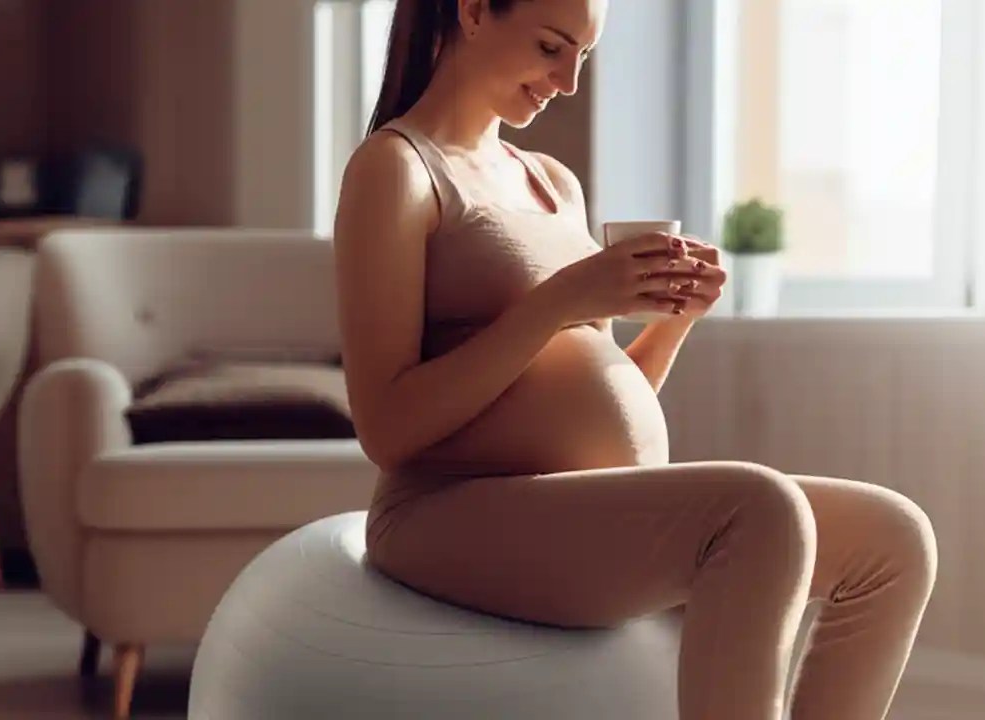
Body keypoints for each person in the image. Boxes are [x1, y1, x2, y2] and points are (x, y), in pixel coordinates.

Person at [332, 1, 938, 718]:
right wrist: (558, 301)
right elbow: (386, 428)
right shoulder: (396, 170)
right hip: (445, 512)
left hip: (565, 505)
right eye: (552, 46)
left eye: (583, 57)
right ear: (471, 11)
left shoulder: (551, 184)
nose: (567, 82)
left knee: (892, 539)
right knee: (760, 509)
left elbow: (595, 405)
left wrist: (674, 324)